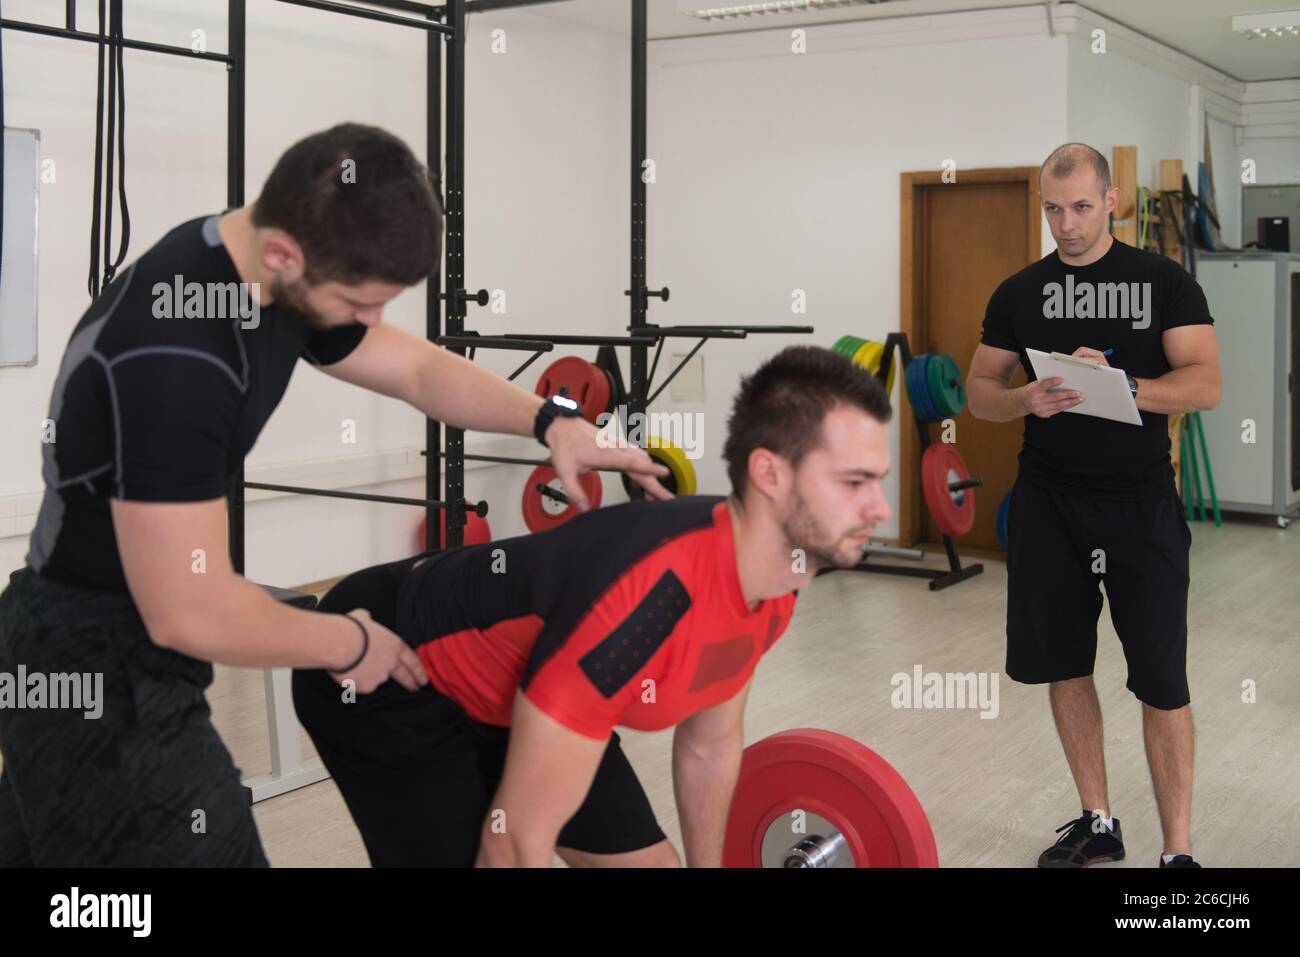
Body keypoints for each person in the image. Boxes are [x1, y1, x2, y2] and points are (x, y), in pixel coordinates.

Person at [0, 122, 670, 867]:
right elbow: (187, 608)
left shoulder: (260, 264)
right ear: (286, 253)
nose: (370, 322)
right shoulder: (177, 358)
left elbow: (418, 372)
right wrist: (347, 640)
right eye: (358, 301)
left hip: (105, 635)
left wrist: (554, 423)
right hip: (98, 665)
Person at [292, 345, 893, 867]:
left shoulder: (775, 584)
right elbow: (514, 844)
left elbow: (709, 746)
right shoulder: (644, 603)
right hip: (398, 668)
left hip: (532, 691)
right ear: (770, 475)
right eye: (853, 482)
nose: (880, 509)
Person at [966, 143, 1221, 868]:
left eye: (1081, 206)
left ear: (1112, 201)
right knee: (1064, 663)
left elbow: (1205, 384)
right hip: (1050, 504)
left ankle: (1178, 851)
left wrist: (1124, 387)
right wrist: (1025, 397)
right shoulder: (1019, 292)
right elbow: (978, 389)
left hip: (1140, 505)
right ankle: (1098, 821)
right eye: (1052, 208)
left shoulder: (1162, 282)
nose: (1066, 224)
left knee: (1162, 679)